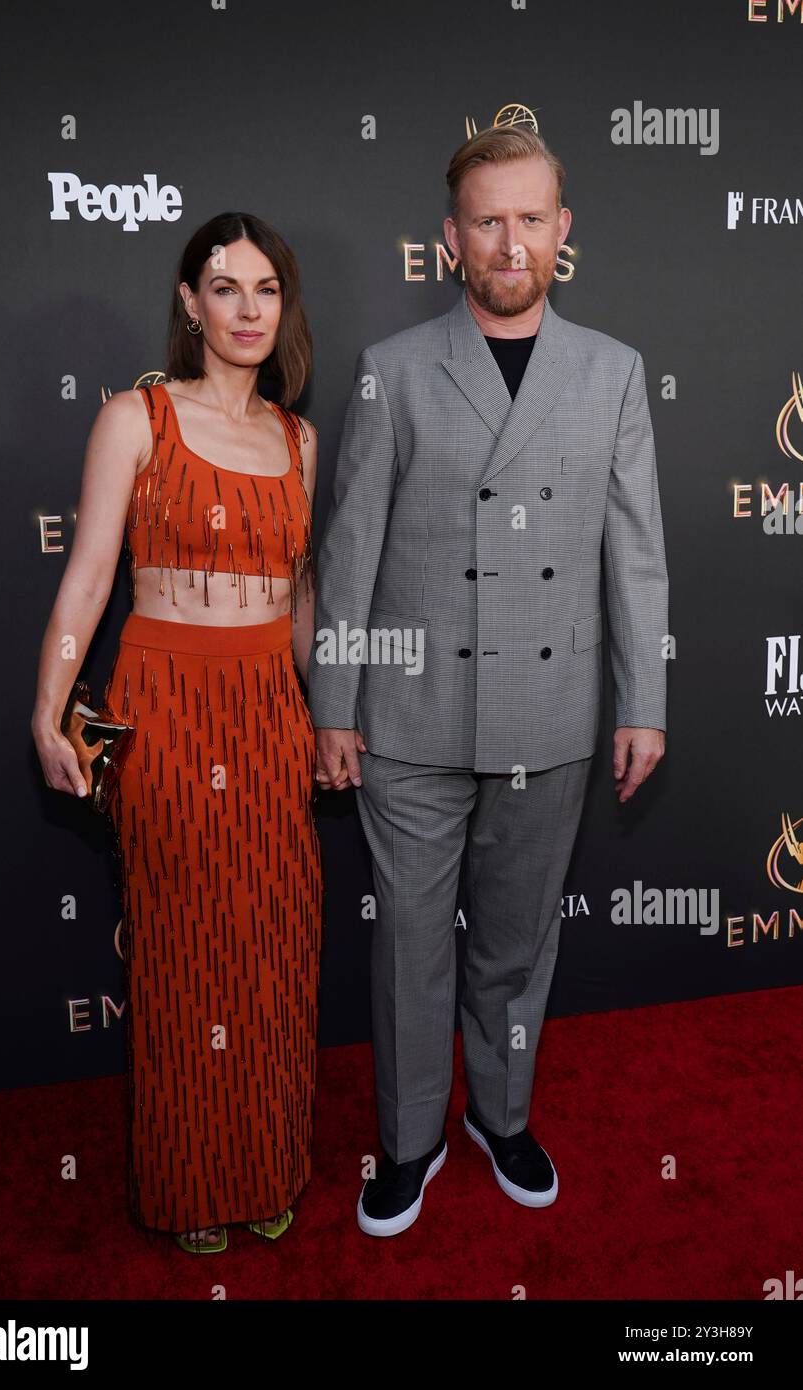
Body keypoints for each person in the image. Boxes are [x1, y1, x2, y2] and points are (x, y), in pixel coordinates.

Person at [309, 124, 668, 1237]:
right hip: (407, 717)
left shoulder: (609, 371)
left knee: (514, 947)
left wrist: (642, 701)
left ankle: (497, 1114)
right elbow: (350, 555)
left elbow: (633, 549)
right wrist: (333, 704)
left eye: (528, 218)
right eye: (485, 220)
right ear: (450, 236)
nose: (507, 241)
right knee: (411, 944)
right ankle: (410, 1140)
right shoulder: (393, 371)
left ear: (561, 232)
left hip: (548, 717)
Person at [32, 214, 322, 1252]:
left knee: (274, 947)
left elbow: (297, 600)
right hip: (161, 707)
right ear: (189, 303)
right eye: (224, 287)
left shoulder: (298, 440)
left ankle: (265, 1164)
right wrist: (48, 704)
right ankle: (191, 1181)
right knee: (182, 953)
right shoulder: (135, 417)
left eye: (266, 289)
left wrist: (327, 717)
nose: (247, 309)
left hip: (266, 714)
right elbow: (89, 576)